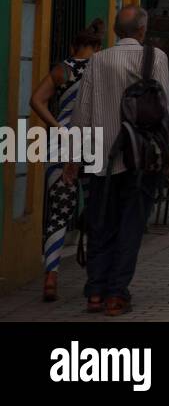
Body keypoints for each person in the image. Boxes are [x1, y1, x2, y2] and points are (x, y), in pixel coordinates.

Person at [68, 5, 169, 316]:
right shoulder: (155, 58)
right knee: (131, 226)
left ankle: (95, 293)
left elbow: (82, 112)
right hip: (142, 157)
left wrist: (73, 158)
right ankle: (116, 294)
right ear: (141, 30)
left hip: (103, 157)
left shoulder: (97, 61)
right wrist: (168, 150)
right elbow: (164, 107)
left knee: (101, 223)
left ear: (116, 31)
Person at [30, 19, 105, 302]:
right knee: (97, 213)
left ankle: (51, 275)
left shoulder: (62, 69)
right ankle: (96, 282)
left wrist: (57, 126)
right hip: (93, 146)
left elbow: (36, 100)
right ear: (97, 47)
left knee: (58, 213)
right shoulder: (101, 70)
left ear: (74, 46)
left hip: (59, 147)